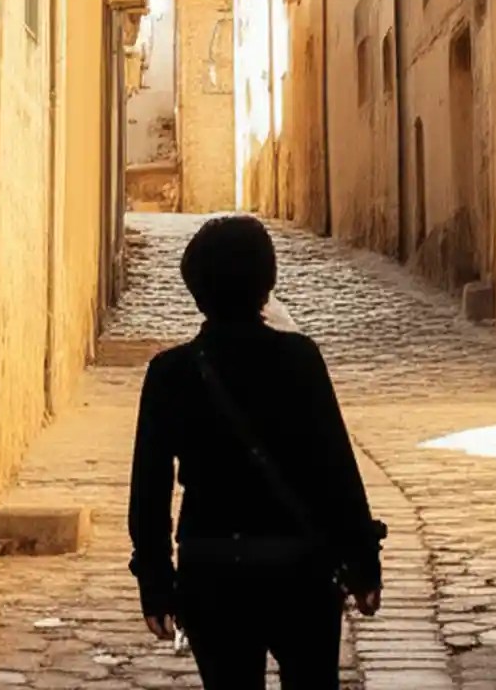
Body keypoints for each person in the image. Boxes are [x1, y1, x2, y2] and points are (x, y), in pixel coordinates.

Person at [128, 215, 384, 689]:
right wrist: (363, 559)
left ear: (195, 288)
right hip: (299, 567)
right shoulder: (299, 360)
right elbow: (335, 468)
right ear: (268, 284)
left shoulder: (170, 374)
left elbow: (150, 489)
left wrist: (155, 583)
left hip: (213, 567)